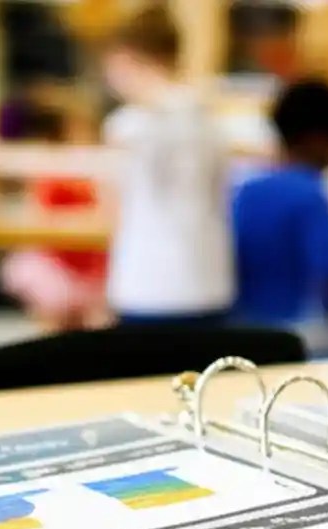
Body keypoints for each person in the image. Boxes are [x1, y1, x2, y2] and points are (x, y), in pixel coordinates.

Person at [100, 5, 233, 327]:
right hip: (209, 280)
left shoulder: (127, 126)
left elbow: (109, 204)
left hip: (146, 285)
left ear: (125, 58)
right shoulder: (209, 119)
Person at [230, 80, 328, 356]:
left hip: (245, 327)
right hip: (299, 333)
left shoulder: (246, 190)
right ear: (321, 141)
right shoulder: (309, 193)